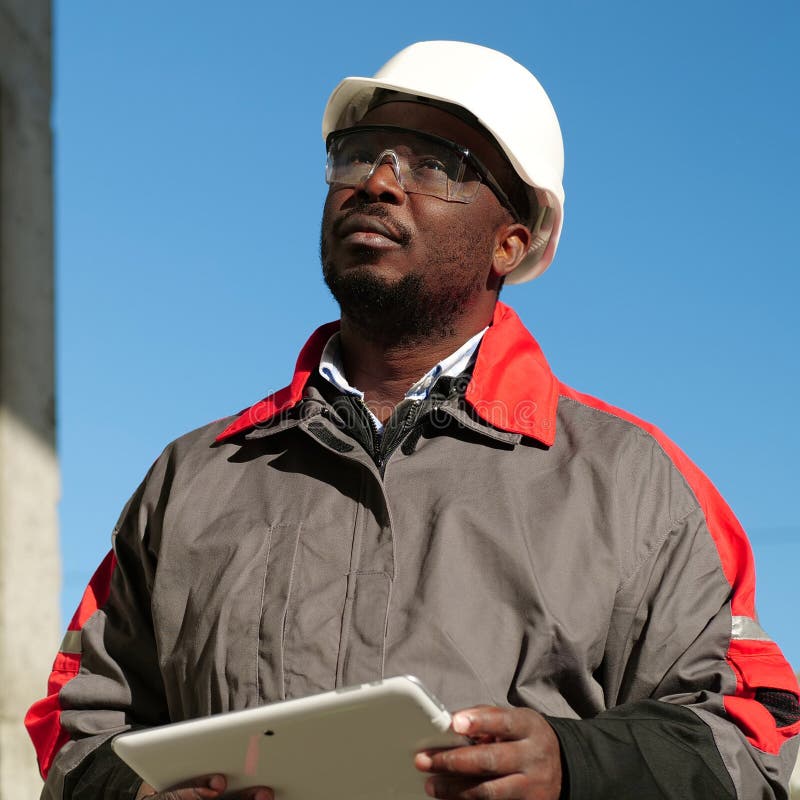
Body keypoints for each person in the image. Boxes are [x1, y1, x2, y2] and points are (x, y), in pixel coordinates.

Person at [26, 41, 800, 800]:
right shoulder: (192, 478)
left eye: (435, 164)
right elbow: (76, 721)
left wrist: (574, 766)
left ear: (512, 240)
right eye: (360, 154)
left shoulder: (633, 483)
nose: (379, 184)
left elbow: (757, 733)